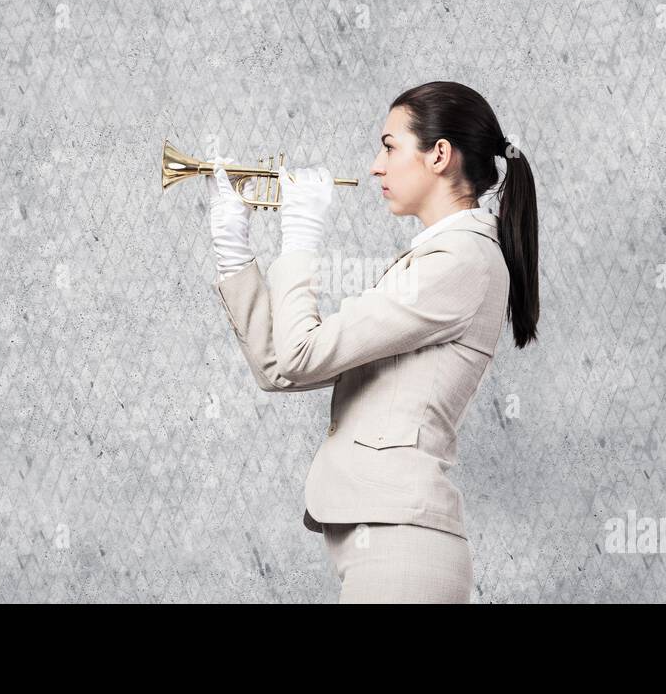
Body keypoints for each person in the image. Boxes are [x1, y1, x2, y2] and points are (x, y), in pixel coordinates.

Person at [207, 81, 539, 602]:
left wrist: (300, 238)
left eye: (389, 146)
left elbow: (301, 354)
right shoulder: (436, 260)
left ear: (440, 156)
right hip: (381, 542)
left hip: (402, 546)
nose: (375, 166)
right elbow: (282, 369)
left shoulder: (461, 262)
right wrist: (233, 251)